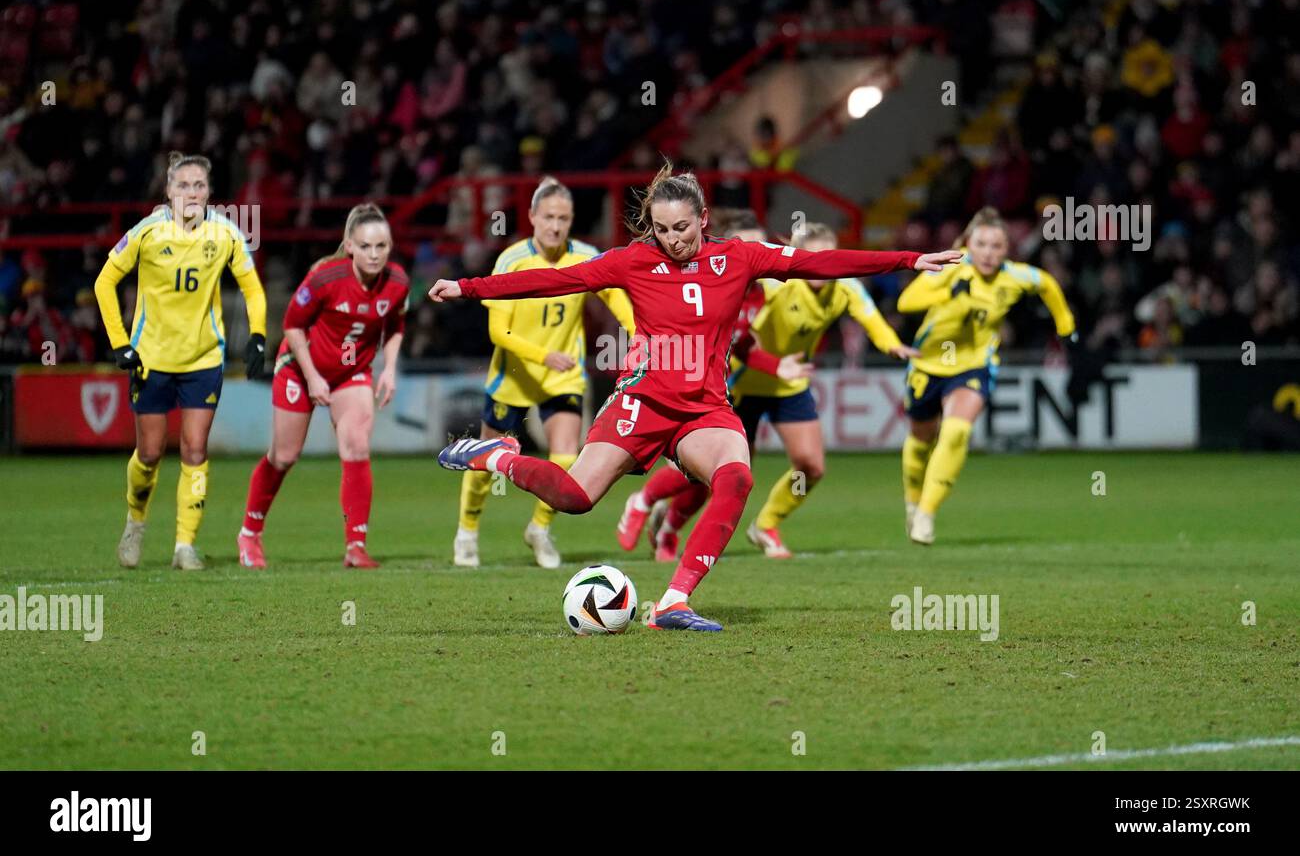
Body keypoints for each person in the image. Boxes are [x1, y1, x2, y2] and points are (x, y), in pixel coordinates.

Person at [429, 162, 960, 631]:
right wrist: (470, 288)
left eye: (681, 227)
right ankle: (497, 456)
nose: (672, 239)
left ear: (703, 219)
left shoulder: (739, 258)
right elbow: (556, 280)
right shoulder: (633, 261)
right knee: (573, 498)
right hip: (645, 401)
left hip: (704, 408)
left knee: (736, 477)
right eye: (661, 229)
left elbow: (815, 264)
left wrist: (908, 260)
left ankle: (674, 600)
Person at [94, 151, 267, 570]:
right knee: (150, 453)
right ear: (168, 189)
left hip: (203, 358)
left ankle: (184, 545)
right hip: (151, 359)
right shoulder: (147, 232)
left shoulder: (225, 234)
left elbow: (253, 289)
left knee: (194, 450)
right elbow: (105, 281)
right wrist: (120, 343)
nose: (192, 192)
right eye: (184, 185)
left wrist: (258, 337)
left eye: (200, 185)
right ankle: (135, 523)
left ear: (210, 192)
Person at [454, 177, 635, 569]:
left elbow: (617, 298)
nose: (555, 226)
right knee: (487, 459)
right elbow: (497, 331)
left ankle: (539, 528)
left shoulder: (585, 256)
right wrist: (542, 354)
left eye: (564, 218)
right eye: (549, 216)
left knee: (567, 457)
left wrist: (640, 336)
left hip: (563, 376)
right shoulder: (511, 260)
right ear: (533, 216)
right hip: (515, 375)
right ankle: (467, 532)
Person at [614, 209, 809, 562]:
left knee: (710, 481)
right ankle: (641, 502)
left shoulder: (756, 295)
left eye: (760, 245)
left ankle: (668, 531)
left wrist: (779, 365)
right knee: (693, 471)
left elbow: (742, 343)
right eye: (749, 246)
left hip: (719, 392)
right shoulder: (704, 280)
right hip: (677, 389)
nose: (757, 254)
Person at [237, 203, 409, 570]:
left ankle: (356, 546)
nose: (374, 254)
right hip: (301, 369)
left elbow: (395, 326)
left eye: (381, 246)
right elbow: (292, 326)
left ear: (390, 245)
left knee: (357, 447)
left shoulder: (397, 282)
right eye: (366, 246)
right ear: (349, 245)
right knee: (283, 456)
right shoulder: (325, 278)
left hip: (351, 371)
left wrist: (390, 369)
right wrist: (313, 375)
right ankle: (249, 533)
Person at [731, 222, 918, 558]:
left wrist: (892, 345)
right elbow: (737, 309)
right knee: (729, 475)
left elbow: (871, 318)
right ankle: (661, 512)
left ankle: (766, 524)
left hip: (790, 383)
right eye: (813, 257)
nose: (822, 265)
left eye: (829, 257)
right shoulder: (778, 283)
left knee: (811, 466)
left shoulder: (846, 287)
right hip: (744, 381)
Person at [897, 206, 1076, 545]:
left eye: (997, 246)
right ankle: (912, 501)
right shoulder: (951, 265)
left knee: (956, 433)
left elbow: (1048, 284)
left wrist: (1065, 325)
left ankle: (926, 513)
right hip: (928, 364)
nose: (989, 253)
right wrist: (950, 292)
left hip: (973, 365)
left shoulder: (1015, 276)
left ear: (1007, 249)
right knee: (921, 440)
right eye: (982, 244)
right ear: (969, 243)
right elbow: (907, 301)